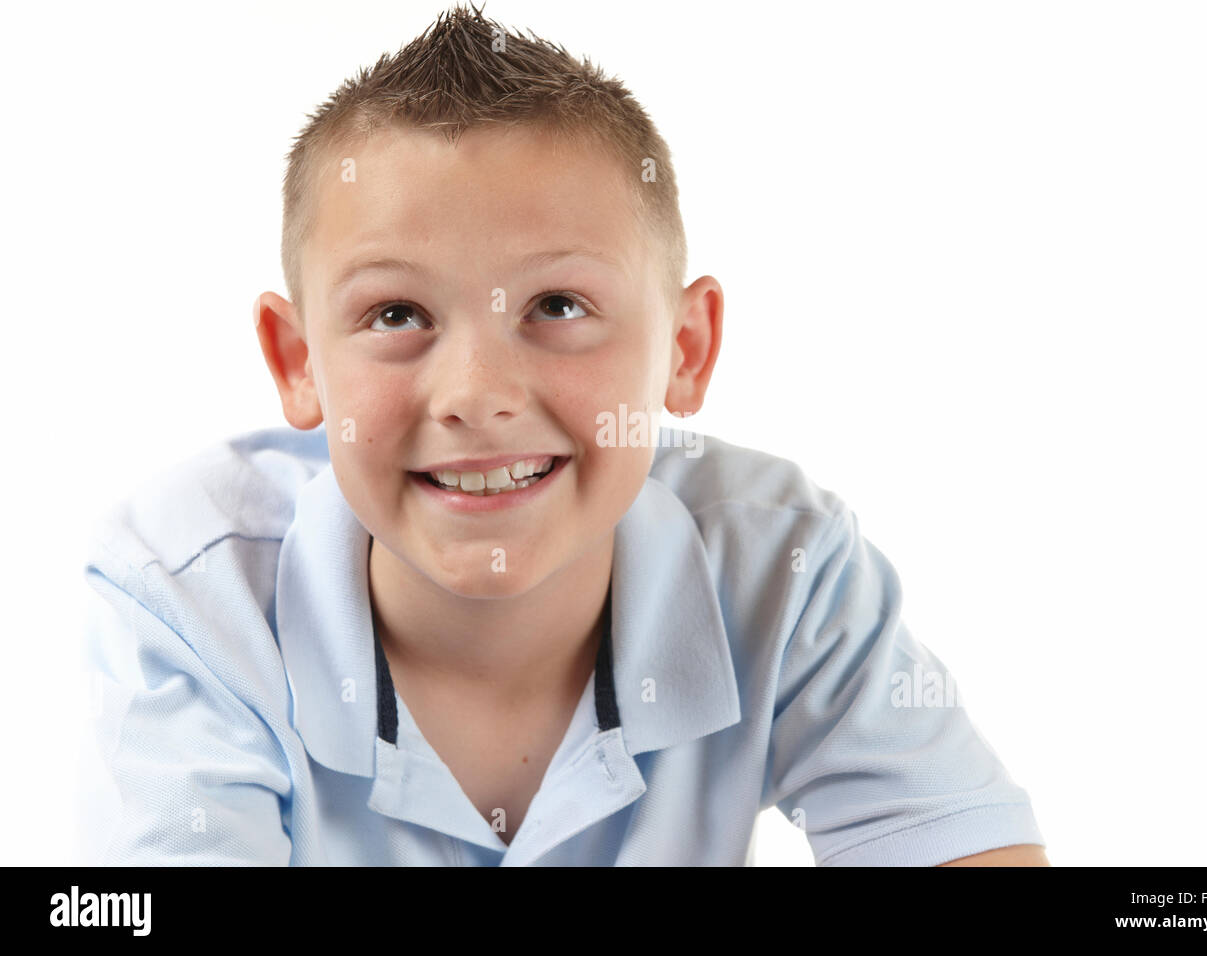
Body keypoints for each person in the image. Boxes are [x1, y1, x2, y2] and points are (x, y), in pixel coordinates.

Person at [80, 2, 1048, 866]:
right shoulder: (187, 593)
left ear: (685, 346)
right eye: (394, 314)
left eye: (555, 303)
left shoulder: (782, 573)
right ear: (297, 361)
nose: (476, 394)